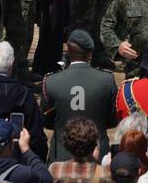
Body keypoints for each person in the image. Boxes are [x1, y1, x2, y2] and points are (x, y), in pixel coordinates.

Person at [40, 30, 117, 162]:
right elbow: (112, 121)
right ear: (90, 53)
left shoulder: (51, 81)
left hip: (62, 154)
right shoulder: (107, 80)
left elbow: (47, 122)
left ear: (68, 51)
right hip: (97, 154)